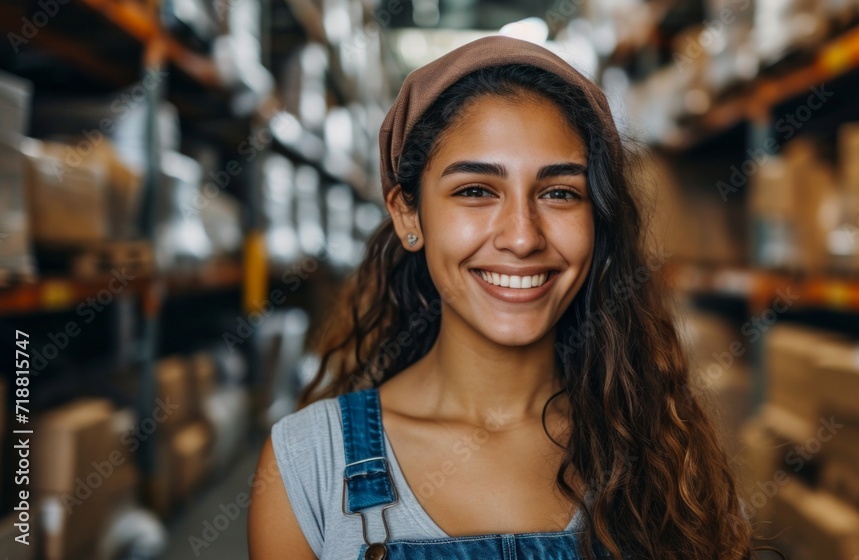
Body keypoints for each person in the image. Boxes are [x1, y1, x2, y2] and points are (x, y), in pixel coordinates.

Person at [248, 35, 754, 560]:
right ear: (407, 214)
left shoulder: (671, 457)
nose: (521, 236)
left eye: (559, 193)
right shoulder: (307, 465)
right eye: (475, 190)